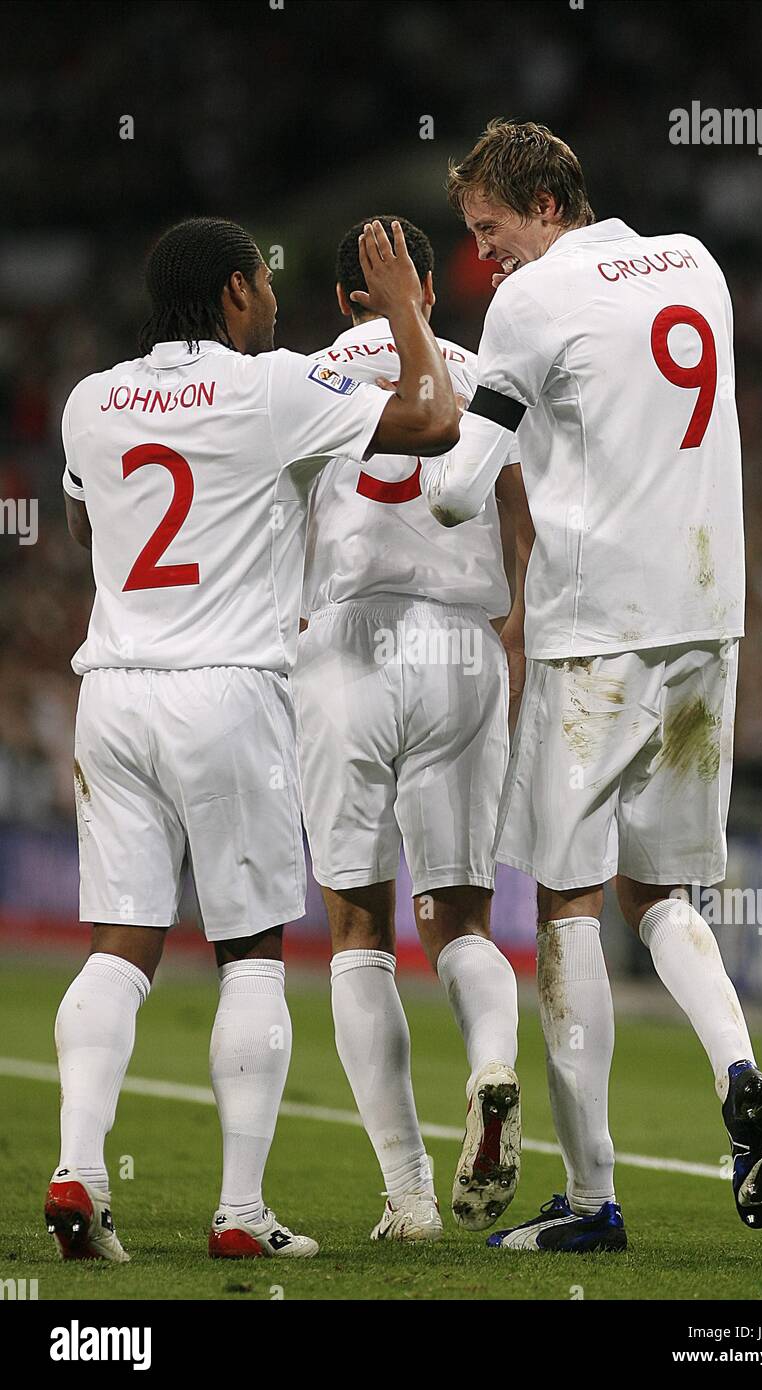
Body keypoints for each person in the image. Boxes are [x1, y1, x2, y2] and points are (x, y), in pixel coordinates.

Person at [49, 215, 458, 1262]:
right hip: (228, 691)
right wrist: (407, 304)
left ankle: (80, 1175)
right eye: (264, 283)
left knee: (120, 941)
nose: (275, 299)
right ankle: (239, 1210)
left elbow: (93, 524)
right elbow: (432, 421)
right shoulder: (269, 384)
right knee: (250, 954)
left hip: (113, 692)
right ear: (237, 291)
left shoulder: (89, 400)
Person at [422, 119, 762, 1253]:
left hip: (596, 637)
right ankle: (737, 1070)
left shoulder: (530, 304)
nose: (486, 258)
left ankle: (590, 1197)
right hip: (704, 617)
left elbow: (453, 492)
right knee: (662, 892)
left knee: (568, 898)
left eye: (489, 230)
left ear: (541, 201)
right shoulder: (694, 261)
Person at [293, 215, 528, 1242]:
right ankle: (489, 1069)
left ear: (346, 299)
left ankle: (408, 1195)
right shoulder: (486, 371)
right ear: (429, 287)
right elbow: (520, 509)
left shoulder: (304, 380)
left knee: (356, 929)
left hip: (345, 643)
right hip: (462, 647)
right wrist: (506, 624)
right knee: (461, 920)